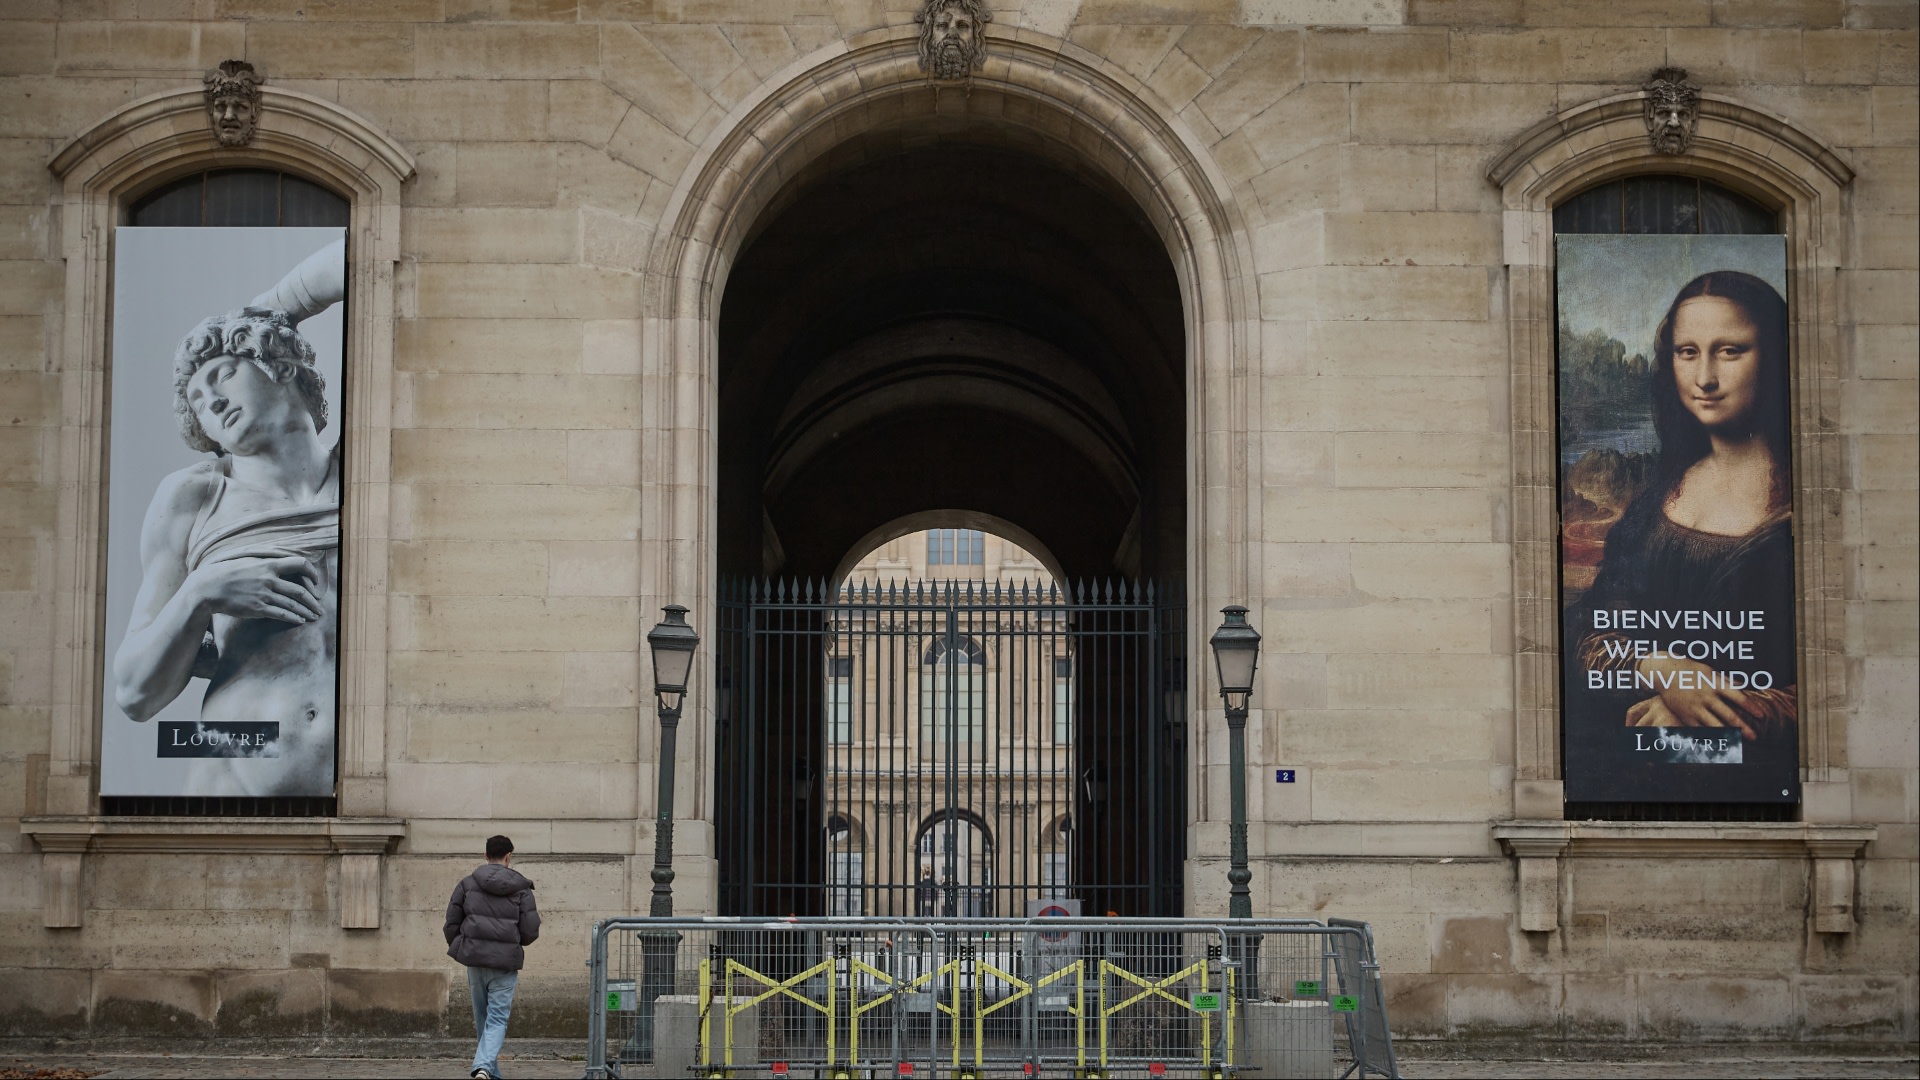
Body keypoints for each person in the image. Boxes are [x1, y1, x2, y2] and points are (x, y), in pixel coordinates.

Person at [110, 239, 344, 797]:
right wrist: (202, 592)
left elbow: (372, 259)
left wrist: (266, 315)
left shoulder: (373, 471)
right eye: (196, 399)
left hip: (371, 790)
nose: (210, 401)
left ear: (281, 365)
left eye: (225, 374)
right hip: (234, 784)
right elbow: (134, 693)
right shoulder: (194, 499)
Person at [1565, 270, 1797, 796]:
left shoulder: (1799, 512)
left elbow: (1832, 689)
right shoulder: (1658, 500)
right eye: (1687, 352)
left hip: (1754, 775)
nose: (1705, 377)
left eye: (1731, 351)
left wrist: (1696, 712)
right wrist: (1663, 668)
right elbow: (1588, 633)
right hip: (1631, 759)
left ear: (1775, 356)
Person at [445, 835, 541, 1080]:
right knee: (497, 1019)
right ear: (508, 857)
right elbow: (530, 930)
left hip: (475, 959)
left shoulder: (467, 884)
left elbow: (451, 923)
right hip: (504, 963)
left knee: (483, 1019)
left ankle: (489, 1071)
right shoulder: (521, 888)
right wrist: (513, 943)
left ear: (486, 855)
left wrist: (462, 945)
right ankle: (484, 1068)